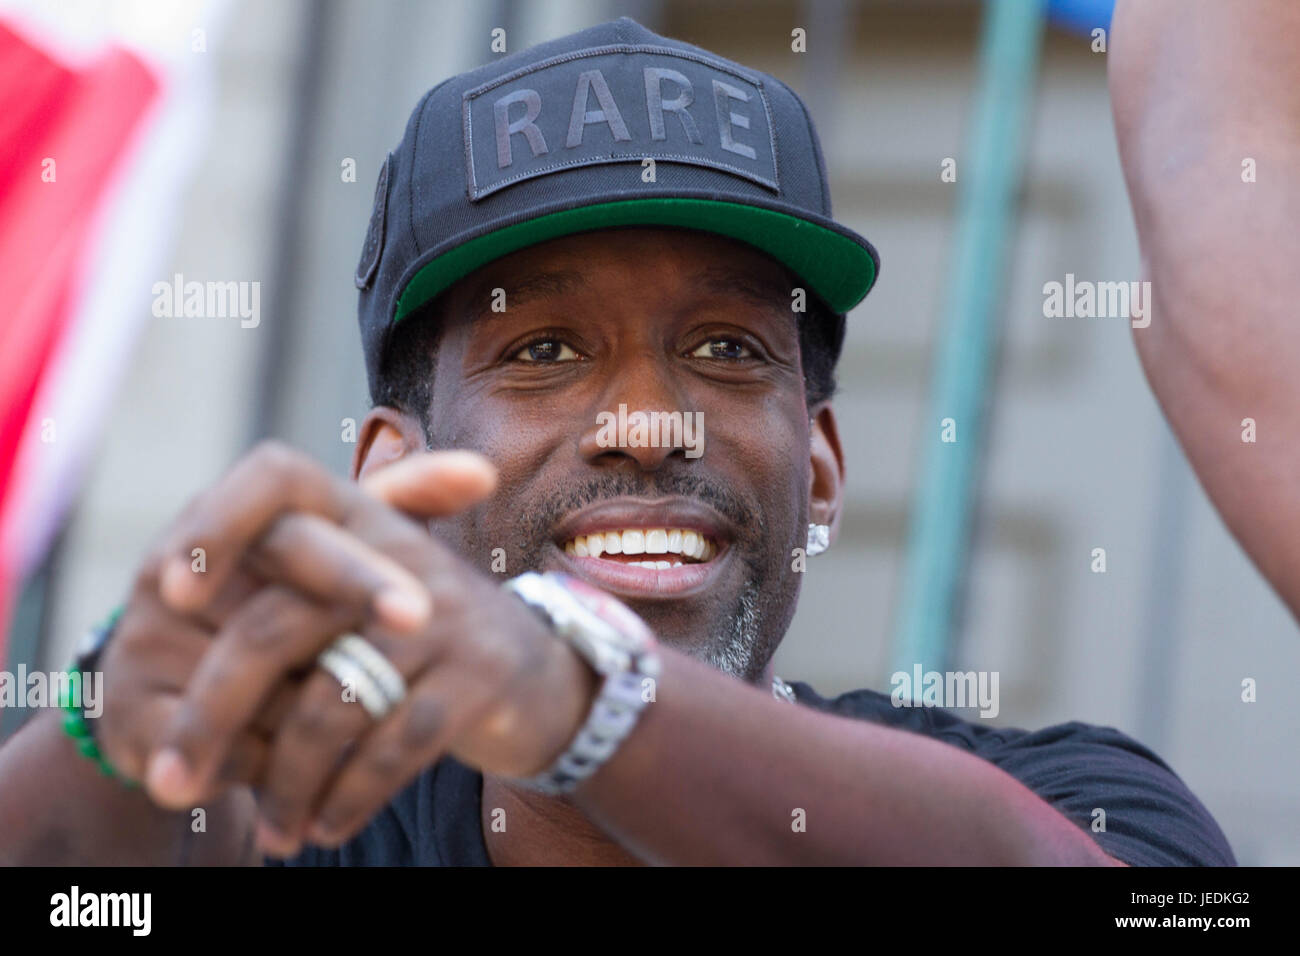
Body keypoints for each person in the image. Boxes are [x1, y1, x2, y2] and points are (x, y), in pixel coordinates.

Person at [0, 16, 1233, 866]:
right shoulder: (301, 826)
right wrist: (113, 734)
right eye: (541, 351)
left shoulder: (1086, 798)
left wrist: (575, 692)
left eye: (727, 351)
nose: (647, 423)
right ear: (388, 479)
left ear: (819, 470)